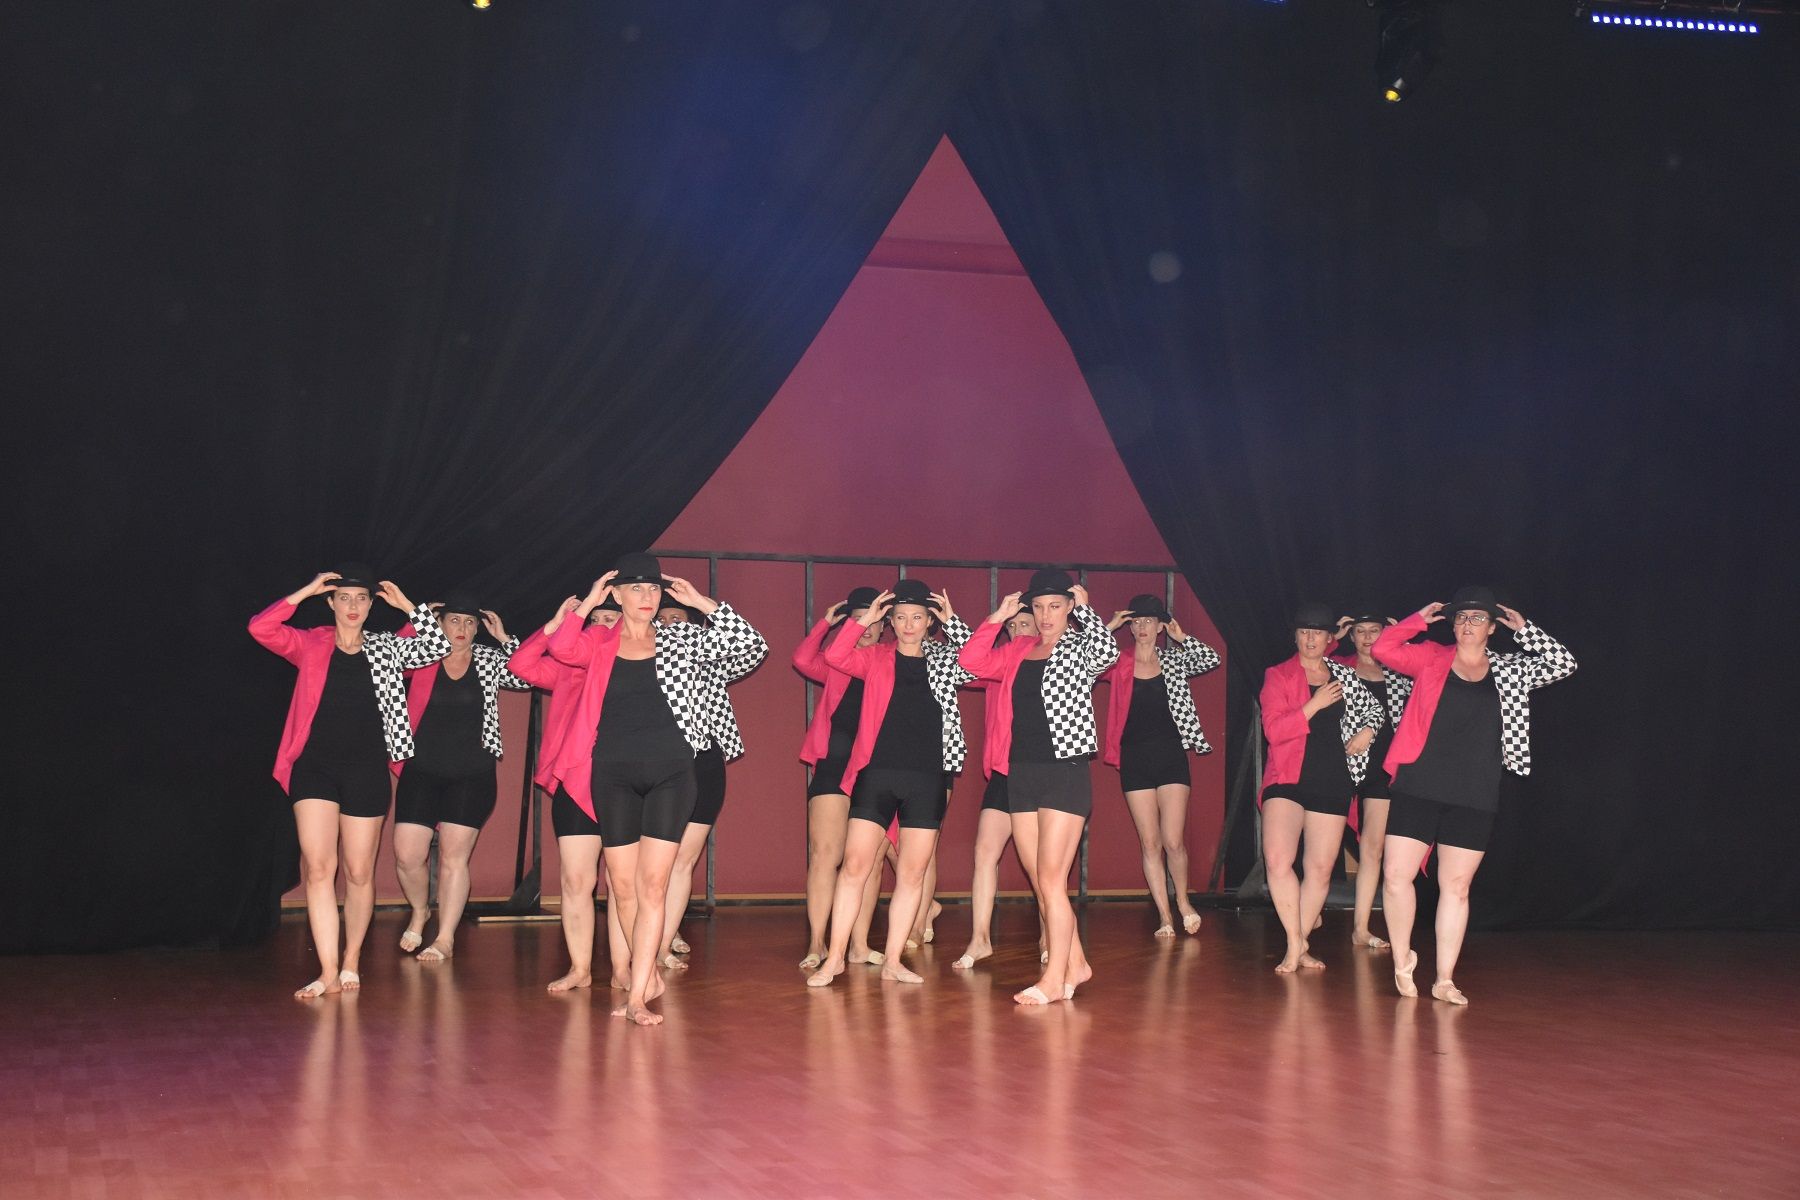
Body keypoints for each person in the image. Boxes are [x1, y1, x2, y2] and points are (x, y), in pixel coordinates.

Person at [547, 554, 766, 1026]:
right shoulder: (598, 642)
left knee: (653, 886)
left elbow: (751, 647)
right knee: (622, 887)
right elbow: (562, 649)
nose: (647, 597)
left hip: (672, 773)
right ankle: (638, 975)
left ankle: (638, 994)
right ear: (618, 595)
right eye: (637, 589)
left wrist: (704, 603)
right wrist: (586, 605)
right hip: (612, 774)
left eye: (653, 590)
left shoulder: (681, 639)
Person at [248, 564, 449, 999]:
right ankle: (327, 969)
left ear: (372, 604)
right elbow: (261, 627)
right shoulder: (311, 642)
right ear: (332, 603)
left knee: (359, 872)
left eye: (362, 598)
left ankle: (352, 961)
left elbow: (436, 646)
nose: (354, 605)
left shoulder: (387, 647)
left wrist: (409, 607)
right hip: (314, 767)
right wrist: (303, 591)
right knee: (319, 869)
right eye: (344, 597)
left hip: (366, 768)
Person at [1375, 586, 1577, 1004]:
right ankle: (1402, 959)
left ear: (1491, 628)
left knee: (1457, 887)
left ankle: (1445, 978)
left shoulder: (1509, 669)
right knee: (1396, 877)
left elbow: (1564, 663)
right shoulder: (1430, 657)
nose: (1467, 625)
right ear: (1453, 625)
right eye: (1461, 618)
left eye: (1477, 619)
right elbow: (1383, 648)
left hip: (1474, 790)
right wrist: (1416, 620)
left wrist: (1527, 631)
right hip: (1420, 782)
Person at [959, 569, 1119, 1006]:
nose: (1046, 616)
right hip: (1021, 771)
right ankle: (1078, 964)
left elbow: (1107, 652)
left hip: (1064, 771)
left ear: (1069, 607)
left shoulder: (1080, 646)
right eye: (1039, 607)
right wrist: (996, 618)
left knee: (1051, 878)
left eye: (1055, 606)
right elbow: (970, 663)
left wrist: (1087, 610)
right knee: (1041, 879)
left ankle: (1053, 979)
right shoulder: (1019, 649)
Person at [806, 581, 974, 987]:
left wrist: (955, 623)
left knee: (912, 874)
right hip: (876, 773)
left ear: (929, 621)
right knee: (855, 868)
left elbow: (979, 664)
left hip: (928, 777)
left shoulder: (944, 659)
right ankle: (835, 959)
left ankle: (895, 960)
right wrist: (866, 617)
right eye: (900, 617)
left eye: (917, 617)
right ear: (891, 621)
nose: (908, 625)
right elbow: (834, 654)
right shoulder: (875, 657)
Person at [391, 593, 532, 962]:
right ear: (438, 624)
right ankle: (420, 911)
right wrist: (417, 616)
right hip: (421, 770)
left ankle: (445, 938)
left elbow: (526, 675)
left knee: (455, 858)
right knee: (408, 855)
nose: (462, 629)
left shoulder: (487, 660)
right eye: (454, 621)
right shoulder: (422, 657)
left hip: (472, 773)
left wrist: (504, 639)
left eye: (469, 623)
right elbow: (397, 650)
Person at [508, 596, 632, 993]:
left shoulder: (637, 665)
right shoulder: (566, 669)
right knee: (576, 880)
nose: (600, 625)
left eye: (610, 618)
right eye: (595, 619)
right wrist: (557, 620)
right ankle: (580, 967)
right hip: (574, 782)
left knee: (622, 883)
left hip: (625, 781)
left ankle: (624, 968)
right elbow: (520, 664)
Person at [1258, 603, 1384, 974]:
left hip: (1333, 777)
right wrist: (1311, 706)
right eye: (1304, 632)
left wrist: (1369, 730)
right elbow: (1274, 732)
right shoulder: (1278, 675)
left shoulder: (1345, 674)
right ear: (1295, 636)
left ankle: (1299, 943)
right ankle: (1296, 941)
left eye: (1318, 633)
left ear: (1330, 639)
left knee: (1320, 869)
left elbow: (1375, 712)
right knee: (1279, 861)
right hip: (1287, 776)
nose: (1311, 638)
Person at [654, 598, 767, 969]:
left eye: (679, 619)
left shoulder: (711, 661)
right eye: (663, 619)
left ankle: (665, 941)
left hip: (704, 762)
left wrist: (703, 603)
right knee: (653, 863)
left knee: (684, 860)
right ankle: (647, 937)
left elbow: (754, 646)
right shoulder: (641, 658)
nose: (671, 624)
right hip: (656, 762)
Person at [1101, 594, 1221, 938]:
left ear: (1160, 626)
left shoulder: (1173, 660)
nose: (1142, 628)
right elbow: (1086, 661)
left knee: (1172, 840)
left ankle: (1183, 902)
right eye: (1136, 622)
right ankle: (1165, 915)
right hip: (1134, 758)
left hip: (1171, 755)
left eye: (1149, 622)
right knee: (1150, 843)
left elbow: (1210, 658)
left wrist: (1182, 638)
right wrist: (1108, 628)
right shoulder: (1117, 661)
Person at [792, 587, 888, 971]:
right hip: (833, 763)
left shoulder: (891, 660)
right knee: (825, 855)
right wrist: (826, 624)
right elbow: (802, 658)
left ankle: (859, 945)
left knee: (870, 861)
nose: (865, 626)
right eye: (858, 618)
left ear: (886, 625)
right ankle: (817, 941)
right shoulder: (836, 662)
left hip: (876, 766)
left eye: (873, 618)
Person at [951, 609, 1043, 972]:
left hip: (1039, 771)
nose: (1018, 632)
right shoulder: (1001, 661)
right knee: (984, 851)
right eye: (1013, 626)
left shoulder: (1052, 657)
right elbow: (970, 657)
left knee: (1038, 863)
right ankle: (980, 938)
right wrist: (993, 618)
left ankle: (1049, 933)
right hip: (1005, 772)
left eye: (1025, 624)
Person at [1331, 609, 1413, 951]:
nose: (1367, 637)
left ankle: (1361, 927)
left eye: (1374, 630)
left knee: (1373, 848)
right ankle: (1304, 915)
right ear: (1351, 636)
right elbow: (1303, 664)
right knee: (1320, 845)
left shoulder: (1398, 671)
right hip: (1341, 761)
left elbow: (1429, 679)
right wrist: (1332, 637)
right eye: (1360, 631)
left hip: (1382, 768)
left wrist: (1403, 636)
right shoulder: (1339, 667)